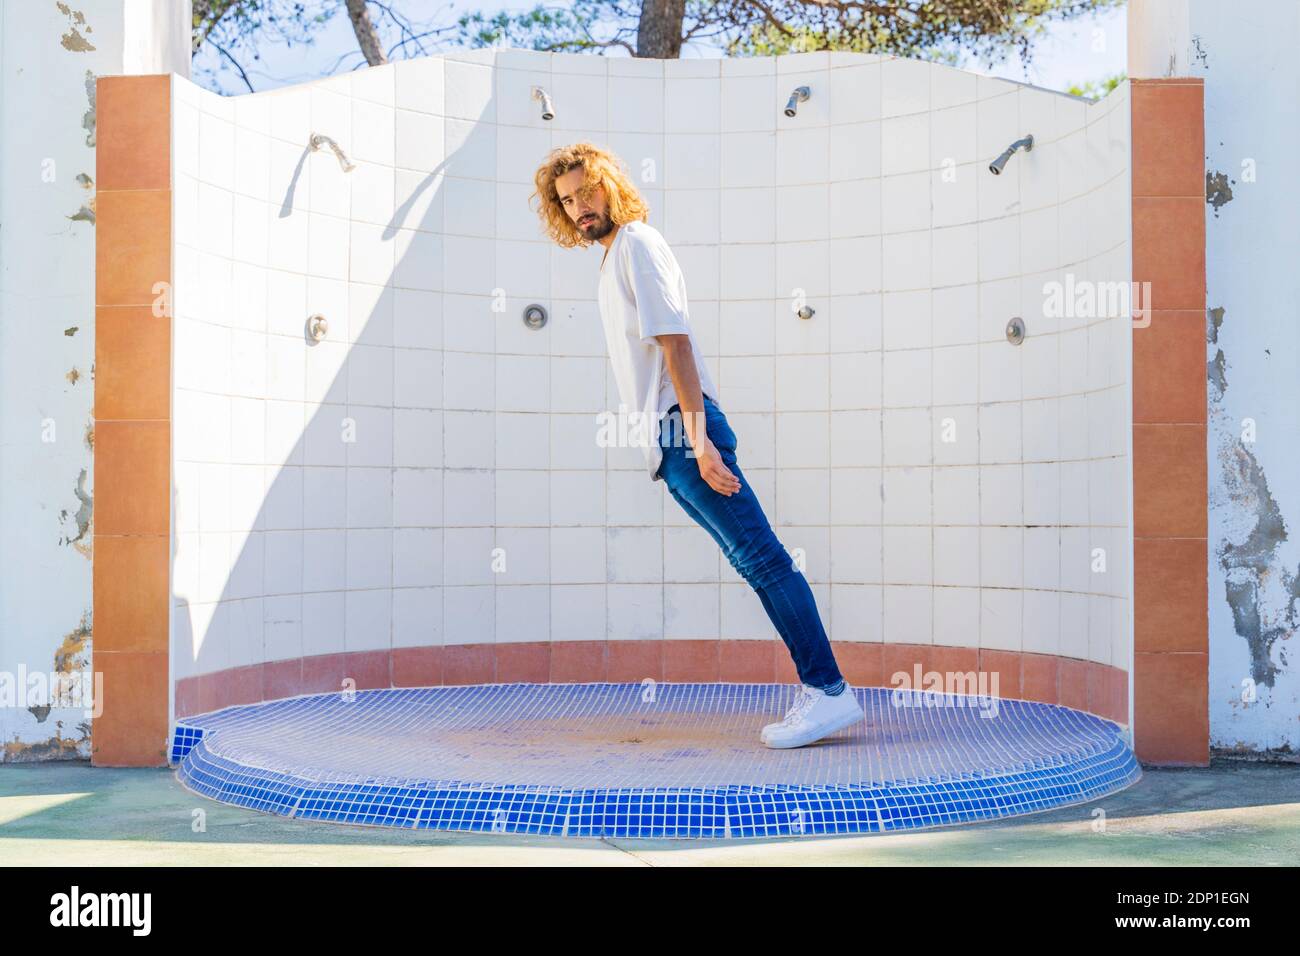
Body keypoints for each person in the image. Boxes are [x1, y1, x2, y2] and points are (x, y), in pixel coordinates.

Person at [531, 142, 864, 749]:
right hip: (670, 442)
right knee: (753, 562)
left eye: (588, 191)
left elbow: (674, 342)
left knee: (764, 560)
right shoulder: (611, 259)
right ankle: (823, 689)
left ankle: (829, 691)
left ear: (610, 185)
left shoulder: (636, 242)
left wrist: (699, 439)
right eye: (568, 200)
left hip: (685, 433)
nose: (581, 206)